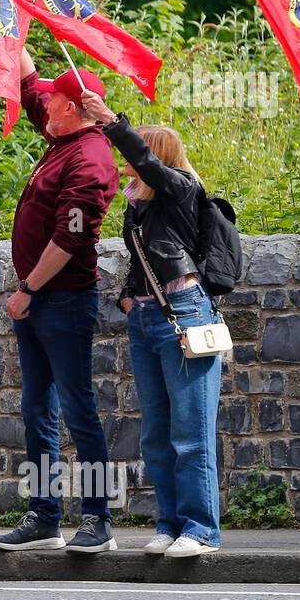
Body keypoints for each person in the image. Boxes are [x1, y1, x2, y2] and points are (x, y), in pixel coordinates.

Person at [0, 51, 119, 554]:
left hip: (61, 300)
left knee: (78, 407)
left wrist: (28, 291)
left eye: (55, 100)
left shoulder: (91, 158)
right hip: (41, 299)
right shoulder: (64, 133)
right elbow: (25, 83)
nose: (46, 107)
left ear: (73, 108)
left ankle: (97, 517)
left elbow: (69, 241)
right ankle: (44, 515)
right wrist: (9, 4)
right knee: (37, 408)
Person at [88, 96, 223, 558]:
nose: (127, 162)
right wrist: (128, 296)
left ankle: (201, 529)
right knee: (157, 433)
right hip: (147, 318)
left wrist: (112, 123)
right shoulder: (139, 207)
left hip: (184, 312)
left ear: (156, 154)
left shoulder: (182, 189)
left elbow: (145, 162)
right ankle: (169, 524)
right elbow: (140, 259)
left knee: (191, 431)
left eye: (136, 152)